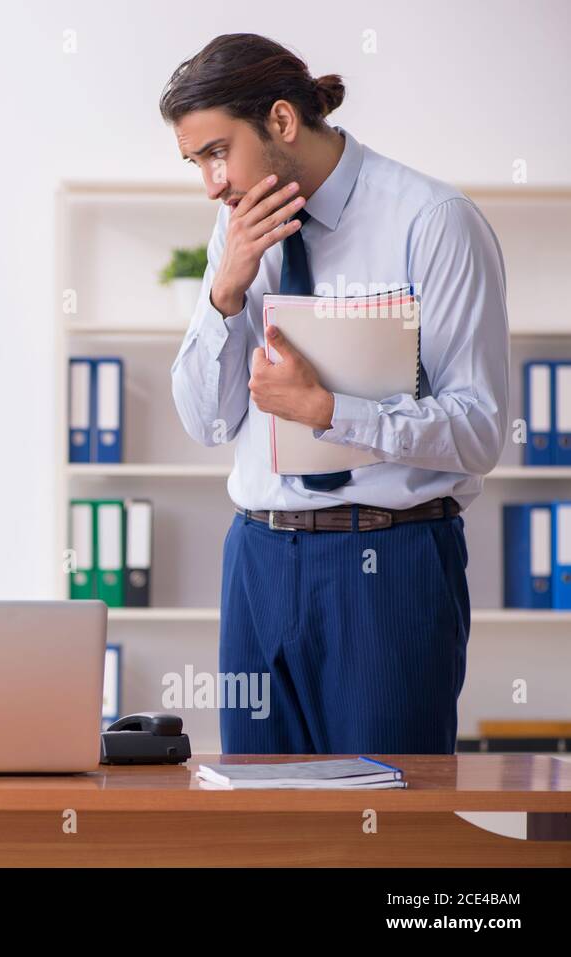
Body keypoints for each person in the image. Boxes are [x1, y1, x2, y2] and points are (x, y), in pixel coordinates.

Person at [162, 34, 508, 754]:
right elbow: (205, 420)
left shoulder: (433, 222)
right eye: (197, 163)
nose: (212, 184)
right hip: (256, 559)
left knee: (385, 822)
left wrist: (330, 412)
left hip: (389, 561)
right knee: (262, 822)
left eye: (218, 152)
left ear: (282, 121)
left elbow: (479, 432)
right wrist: (225, 294)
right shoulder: (237, 229)